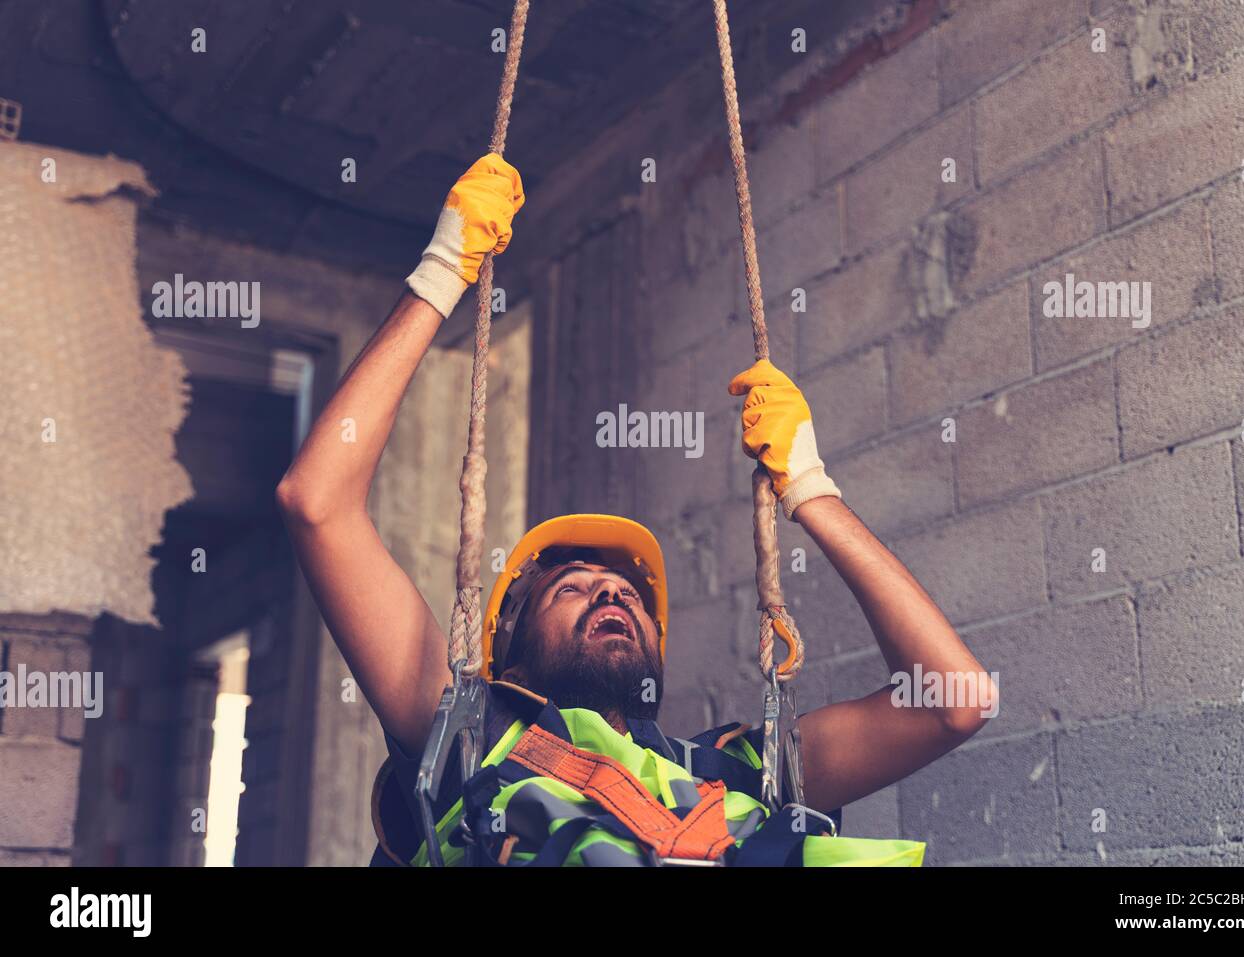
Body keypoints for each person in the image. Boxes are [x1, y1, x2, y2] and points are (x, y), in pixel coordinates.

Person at [276, 154, 996, 867]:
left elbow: (955, 700)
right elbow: (318, 504)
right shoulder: (471, 735)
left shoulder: (734, 768)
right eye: (572, 588)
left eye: (625, 594)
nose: (610, 590)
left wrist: (810, 488)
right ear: (511, 650)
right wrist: (440, 272)